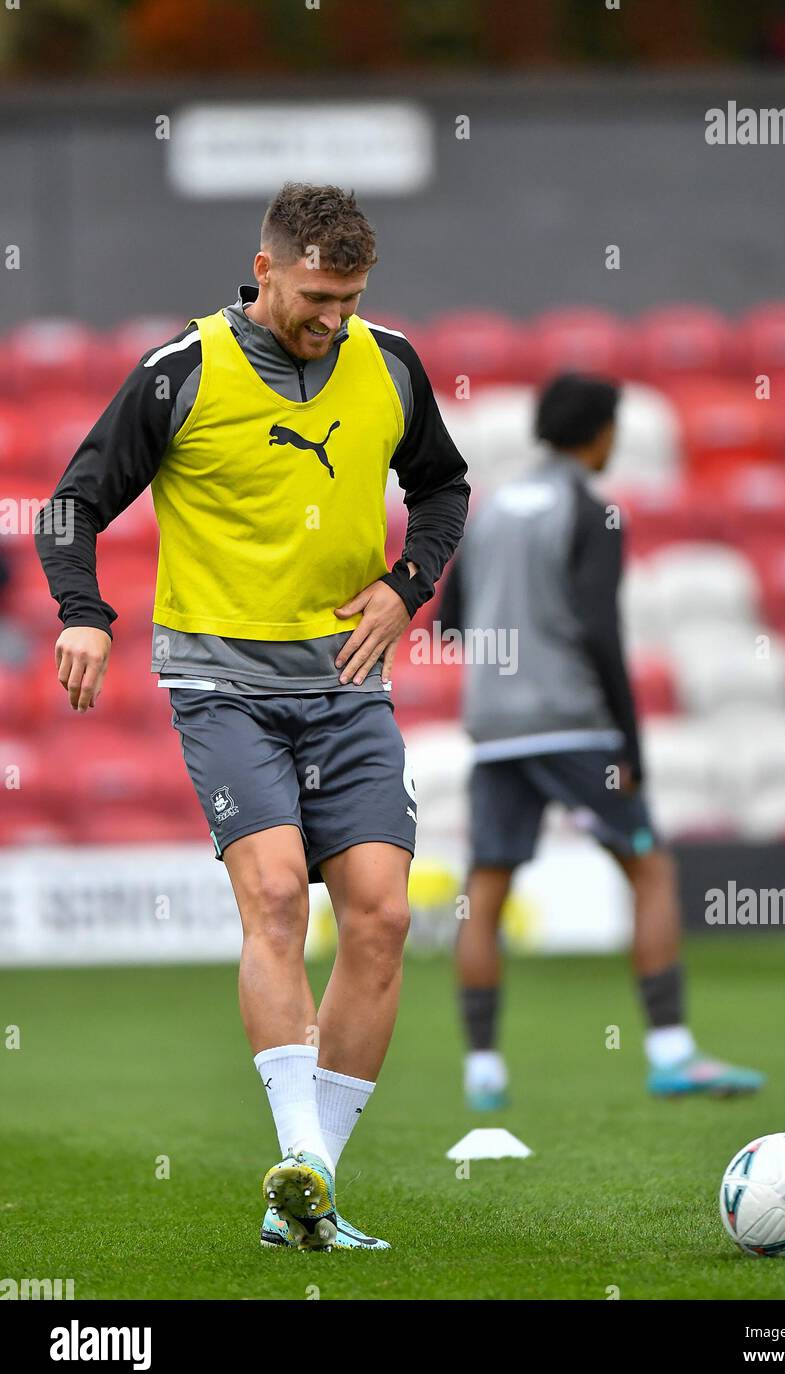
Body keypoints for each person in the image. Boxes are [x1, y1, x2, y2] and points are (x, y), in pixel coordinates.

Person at [35, 183, 469, 1251]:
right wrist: (85, 613)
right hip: (221, 682)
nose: (335, 317)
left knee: (379, 916)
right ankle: (305, 1168)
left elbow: (445, 486)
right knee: (275, 895)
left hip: (346, 682)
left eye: (352, 297)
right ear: (264, 267)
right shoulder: (180, 372)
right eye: (319, 295)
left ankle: (306, 1184)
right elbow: (71, 502)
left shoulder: (392, 360)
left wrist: (404, 584)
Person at [440, 373, 763, 1109]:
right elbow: (598, 630)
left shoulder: (489, 515)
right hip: (575, 722)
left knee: (487, 888)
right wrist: (631, 743)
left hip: (494, 727)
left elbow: (450, 621)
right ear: (599, 434)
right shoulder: (590, 513)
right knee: (649, 867)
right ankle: (671, 1051)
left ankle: (483, 1070)